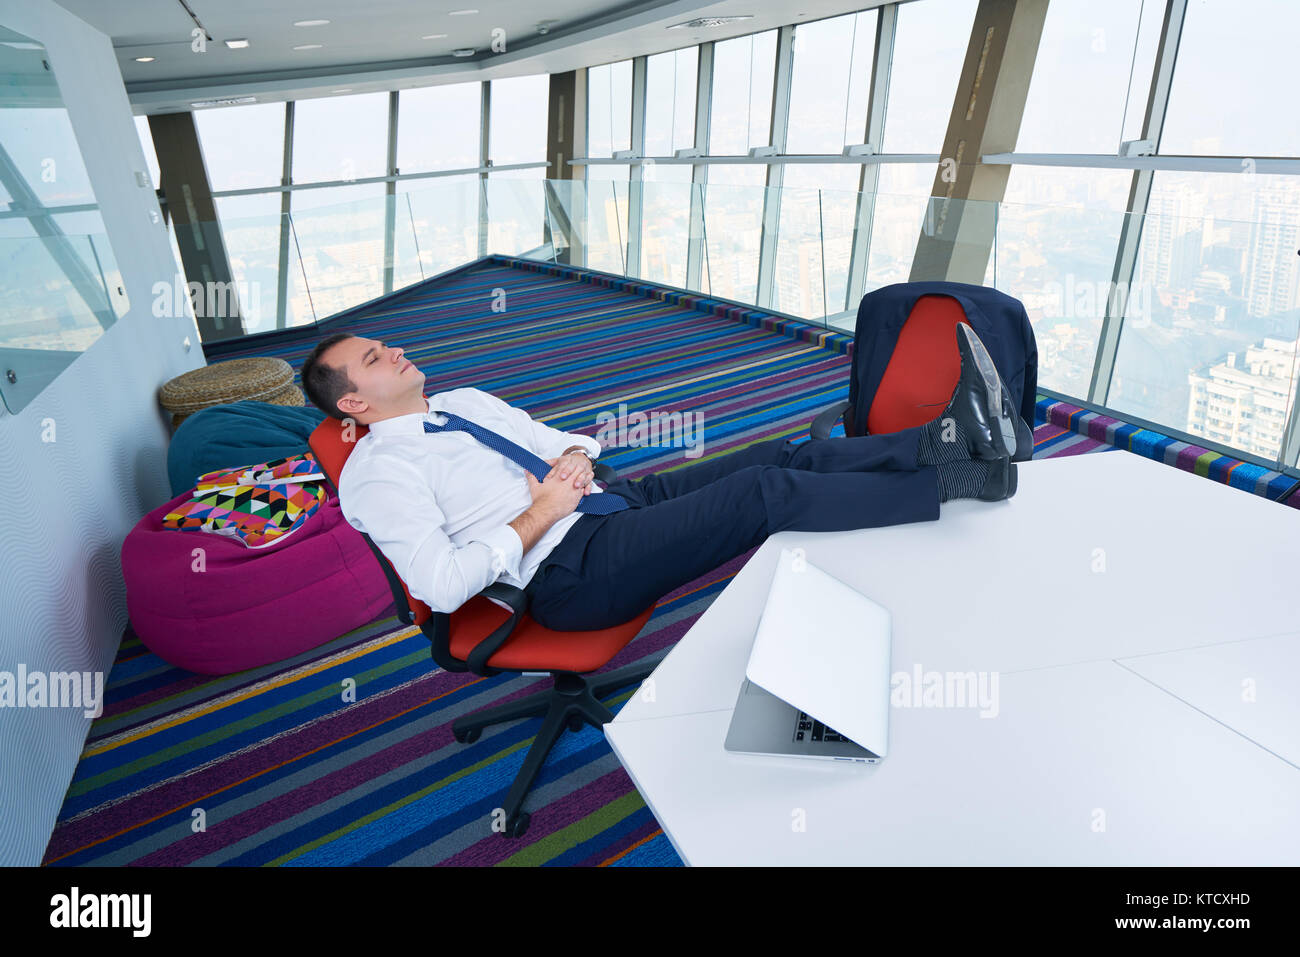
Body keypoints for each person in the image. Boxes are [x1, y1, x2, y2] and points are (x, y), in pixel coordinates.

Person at [300, 325, 1028, 632]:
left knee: (777, 455)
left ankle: (946, 437)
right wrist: (541, 513)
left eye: (383, 343)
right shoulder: (376, 473)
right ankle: (963, 482)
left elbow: (558, 438)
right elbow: (443, 583)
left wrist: (575, 460)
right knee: (763, 497)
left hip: (606, 501)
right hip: (564, 574)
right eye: (372, 358)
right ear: (355, 405)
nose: (392, 350)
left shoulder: (459, 402)